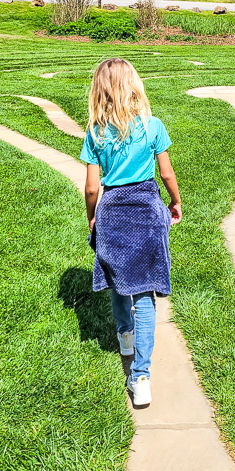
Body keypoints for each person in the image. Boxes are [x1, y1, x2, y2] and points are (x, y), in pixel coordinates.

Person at [81, 58, 182, 406]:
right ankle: (141, 377)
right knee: (145, 292)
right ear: (134, 86)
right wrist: (176, 201)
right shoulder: (152, 126)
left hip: (112, 211)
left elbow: (92, 187)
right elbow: (166, 174)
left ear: (99, 90)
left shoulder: (94, 133)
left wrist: (92, 217)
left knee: (117, 277)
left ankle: (124, 335)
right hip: (146, 208)